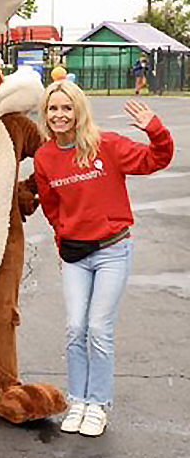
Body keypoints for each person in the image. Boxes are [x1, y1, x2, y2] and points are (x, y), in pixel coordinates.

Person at [33, 80, 173, 437]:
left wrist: (154, 130)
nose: (60, 115)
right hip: (76, 254)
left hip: (112, 249)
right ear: (45, 114)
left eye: (67, 108)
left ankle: (98, 403)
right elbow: (51, 206)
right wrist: (62, 238)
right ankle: (78, 400)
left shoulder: (105, 145)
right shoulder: (45, 157)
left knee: (98, 328)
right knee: (74, 327)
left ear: (78, 111)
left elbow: (157, 159)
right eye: (53, 109)